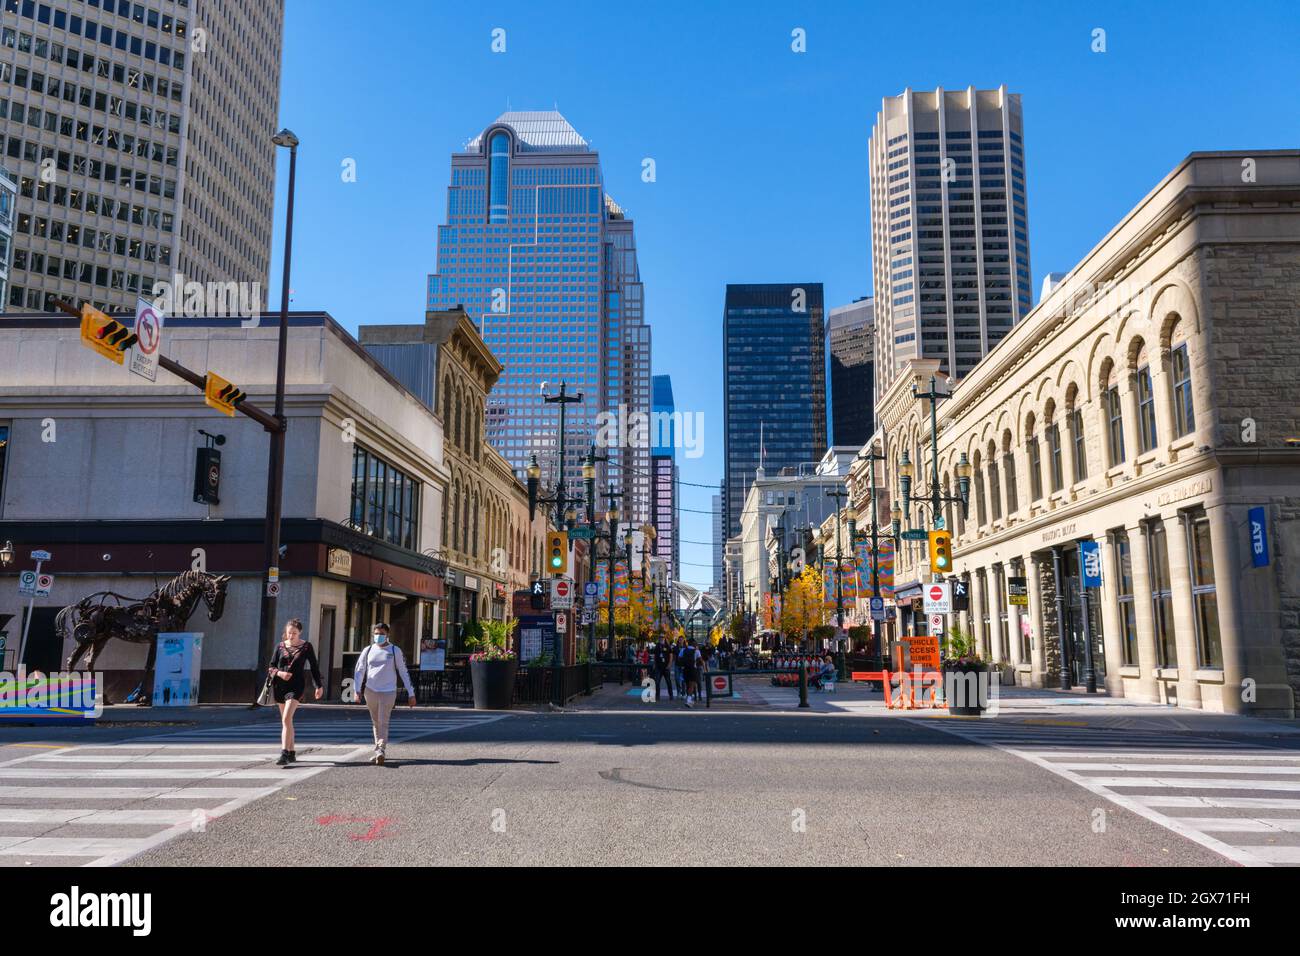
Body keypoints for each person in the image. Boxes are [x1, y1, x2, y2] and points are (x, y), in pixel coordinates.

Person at [352, 621, 416, 765]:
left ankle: (380, 749)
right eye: (376, 633)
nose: (378, 636)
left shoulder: (395, 651)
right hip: (370, 691)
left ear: (387, 635)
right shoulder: (368, 650)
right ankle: (378, 750)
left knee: (383, 721)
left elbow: (404, 672)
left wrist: (411, 693)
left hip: (388, 691)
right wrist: (357, 690)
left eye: (381, 634)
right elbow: (359, 670)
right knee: (375, 721)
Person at [267, 618, 323, 767]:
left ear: (300, 632)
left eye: (294, 633)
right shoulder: (279, 647)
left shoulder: (306, 647)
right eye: (289, 633)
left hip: (296, 686)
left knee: (286, 719)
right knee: (287, 721)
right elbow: (271, 667)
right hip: (280, 686)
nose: (291, 636)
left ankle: (284, 753)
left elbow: (314, 667)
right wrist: (280, 674)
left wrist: (318, 685)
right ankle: (292, 752)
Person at [678, 637, 701, 708]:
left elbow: (679, 658)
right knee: (692, 685)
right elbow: (700, 660)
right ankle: (688, 701)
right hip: (693, 669)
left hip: (685, 669)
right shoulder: (696, 651)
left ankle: (690, 700)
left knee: (688, 685)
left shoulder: (683, 650)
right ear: (693, 643)